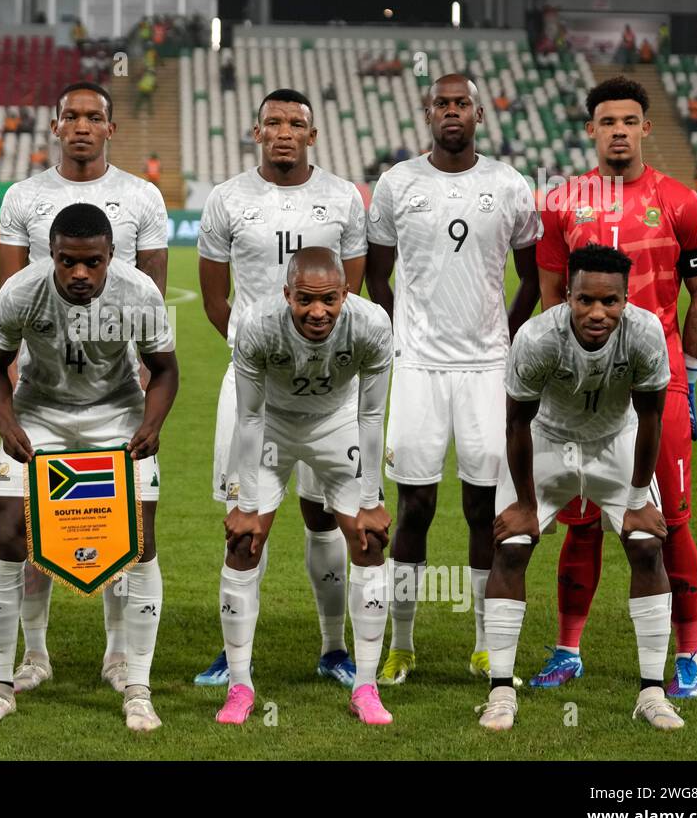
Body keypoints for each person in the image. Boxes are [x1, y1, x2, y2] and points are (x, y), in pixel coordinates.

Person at [531, 76, 697, 697]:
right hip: (581, 389)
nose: (618, 130)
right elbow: (552, 300)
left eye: (629, 120)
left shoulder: (682, 202)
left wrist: (687, 382)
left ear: (645, 128)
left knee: (671, 521)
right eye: (606, 121)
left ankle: (688, 654)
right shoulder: (560, 204)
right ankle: (567, 649)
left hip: (657, 381)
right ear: (591, 130)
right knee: (581, 521)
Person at [0, 203, 178, 731]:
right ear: (51, 255)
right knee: (12, 534)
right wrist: (6, 423)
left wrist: (152, 423)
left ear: (110, 256)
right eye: (67, 262)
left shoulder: (138, 292)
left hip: (117, 419)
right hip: (40, 415)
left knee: (139, 542)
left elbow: (165, 370)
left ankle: (137, 686)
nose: (80, 274)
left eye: (92, 263)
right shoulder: (20, 290)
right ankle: (2, 682)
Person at [364, 74, 542, 685]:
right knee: (414, 505)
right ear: (427, 113)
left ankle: (483, 644)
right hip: (416, 368)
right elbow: (377, 279)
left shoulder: (509, 185)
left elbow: (533, 279)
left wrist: (506, 339)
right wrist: (401, 337)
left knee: (482, 508)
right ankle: (402, 643)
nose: (451, 112)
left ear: (478, 114)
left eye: (461, 102)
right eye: (441, 103)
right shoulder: (398, 183)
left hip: (487, 370)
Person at [0, 81, 168, 693]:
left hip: (116, 396)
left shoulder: (141, 196)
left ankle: (120, 656)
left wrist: (147, 396)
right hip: (41, 394)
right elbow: (10, 296)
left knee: (121, 527)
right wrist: (14, 386)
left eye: (94, 116)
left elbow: (152, 295)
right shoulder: (24, 196)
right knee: (29, 524)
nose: (82, 125)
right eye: (70, 114)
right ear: (54, 123)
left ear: (110, 128)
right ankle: (33, 656)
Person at [194, 88, 370, 687]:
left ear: (313, 135)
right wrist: (254, 354)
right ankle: (233, 654)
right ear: (257, 131)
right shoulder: (228, 200)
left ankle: (333, 647)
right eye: (274, 122)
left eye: (297, 122)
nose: (285, 131)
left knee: (324, 518)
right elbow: (214, 298)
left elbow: (350, 293)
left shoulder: (344, 197)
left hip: (327, 393)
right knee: (246, 519)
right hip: (253, 390)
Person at [478, 243, 682, 732]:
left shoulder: (646, 333)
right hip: (547, 440)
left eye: (610, 302)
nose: (597, 312)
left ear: (625, 299)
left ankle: (652, 694)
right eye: (586, 300)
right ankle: (501, 691)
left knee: (647, 545)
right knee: (511, 546)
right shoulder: (536, 339)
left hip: (616, 440)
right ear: (567, 296)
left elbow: (651, 416)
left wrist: (636, 501)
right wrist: (526, 505)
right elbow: (516, 423)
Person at [219, 248, 394, 725]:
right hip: (272, 425)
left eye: (329, 300)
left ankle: (366, 687)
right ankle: (239, 685)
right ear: (286, 295)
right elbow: (249, 416)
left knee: (370, 539)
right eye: (305, 300)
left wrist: (373, 499)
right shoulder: (257, 325)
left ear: (345, 293)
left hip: (336, 425)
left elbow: (372, 415)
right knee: (243, 542)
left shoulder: (373, 325)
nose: (318, 312)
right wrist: (248, 504)